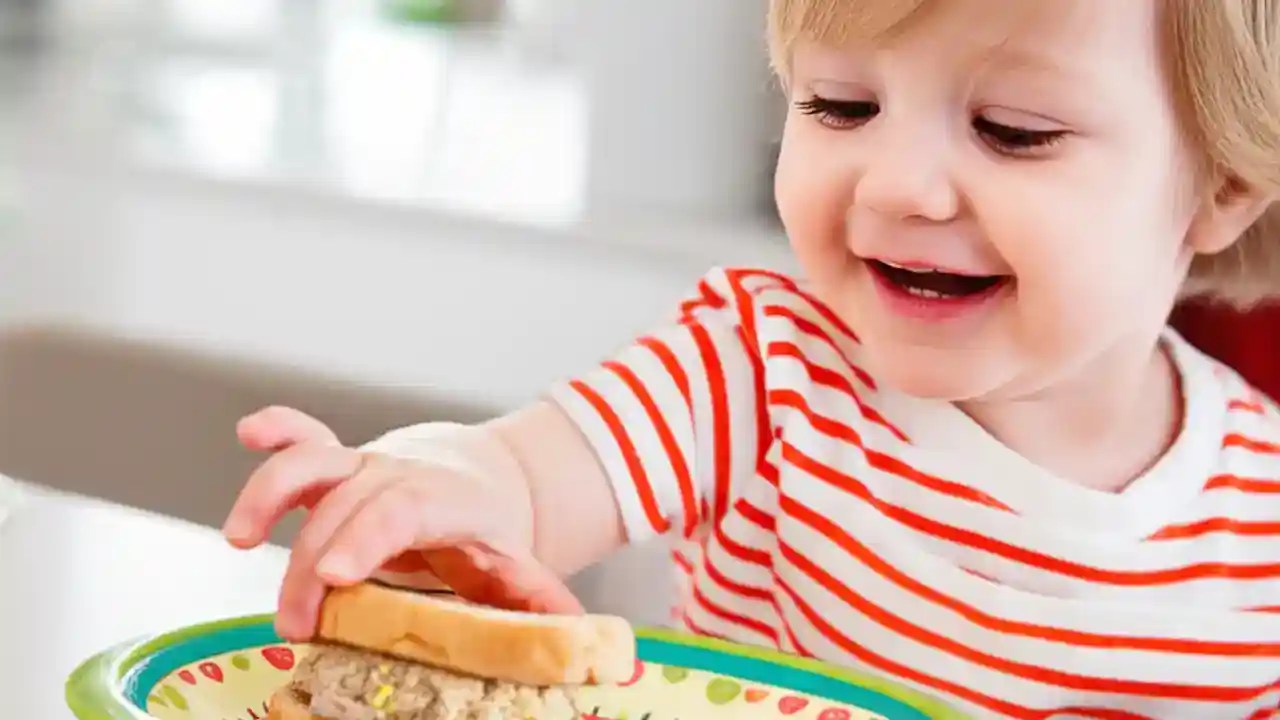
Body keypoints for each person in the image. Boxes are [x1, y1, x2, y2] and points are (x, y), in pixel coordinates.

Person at [221, 1, 1280, 717]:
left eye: (1010, 130)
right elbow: (525, 477)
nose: (894, 185)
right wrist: (430, 488)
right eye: (839, 106)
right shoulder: (761, 374)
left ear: (1221, 181)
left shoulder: (1260, 515)